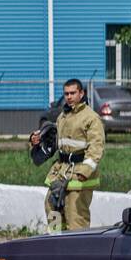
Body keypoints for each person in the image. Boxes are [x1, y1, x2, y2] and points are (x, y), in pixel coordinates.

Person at [30, 78, 104, 230]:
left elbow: (96, 146)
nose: (69, 97)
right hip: (60, 172)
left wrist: (84, 171)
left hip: (80, 176)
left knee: (75, 217)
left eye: (73, 93)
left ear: (81, 93)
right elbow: (55, 142)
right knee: (52, 208)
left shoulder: (91, 117)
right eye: (66, 94)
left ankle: (78, 251)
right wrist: (36, 140)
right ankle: (55, 242)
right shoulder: (62, 117)